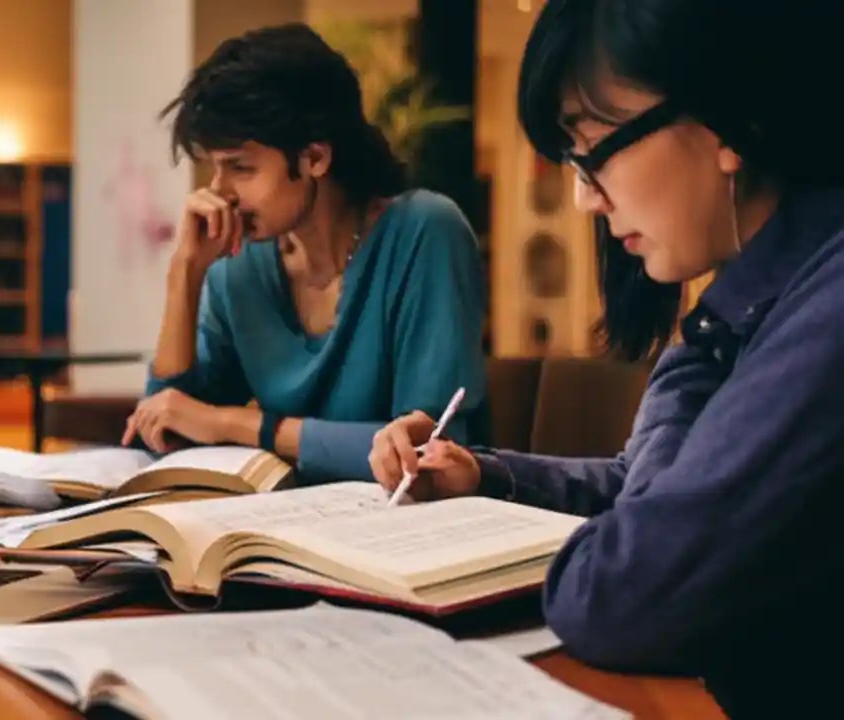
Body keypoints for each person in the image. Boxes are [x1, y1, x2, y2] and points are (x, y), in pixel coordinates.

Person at [368, 0, 844, 714]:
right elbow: (655, 488)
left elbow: (619, 593)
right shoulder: (775, 294)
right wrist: (486, 477)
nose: (583, 197)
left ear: (723, 123)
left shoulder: (823, 305)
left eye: (591, 149)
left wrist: (696, 347)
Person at [122, 23, 488, 483]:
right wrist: (185, 273)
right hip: (283, 530)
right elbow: (164, 435)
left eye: (241, 167)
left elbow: (430, 453)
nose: (219, 191)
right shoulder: (238, 266)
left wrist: (233, 424)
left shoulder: (424, 234)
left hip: (403, 536)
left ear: (315, 158)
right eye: (214, 168)